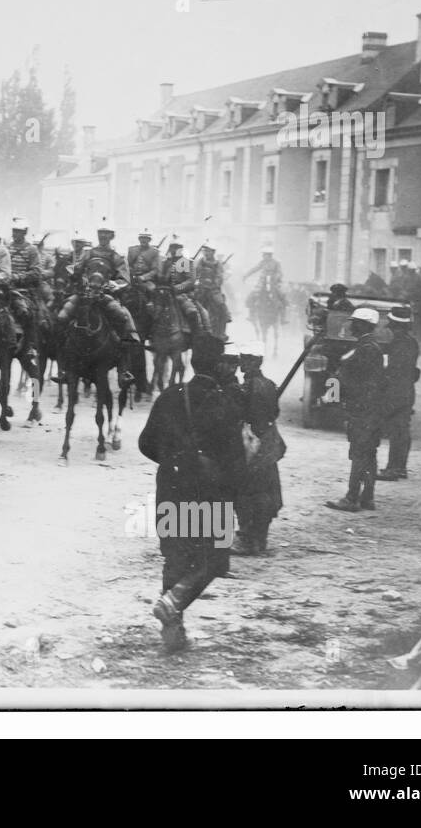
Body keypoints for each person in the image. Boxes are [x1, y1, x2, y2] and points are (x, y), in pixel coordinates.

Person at [139, 333, 245, 654]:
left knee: (174, 557)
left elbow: (146, 444)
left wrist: (175, 462)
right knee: (214, 560)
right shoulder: (225, 402)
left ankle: (173, 633)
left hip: (169, 488)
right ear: (218, 366)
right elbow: (235, 460)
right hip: (208, 494)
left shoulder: (170, 395)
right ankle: (175, 599)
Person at [326, 306, 386, 512]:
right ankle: (367, 498)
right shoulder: (370, 347)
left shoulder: (366, 349)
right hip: (372, 410)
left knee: (360, 453)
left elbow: (350, 379)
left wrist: (332, 396)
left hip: (363, 410)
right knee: (369, 453)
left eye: (355, 323)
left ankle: (352, 498)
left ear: (363, 325)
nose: (351, 326)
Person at [233, 342, 285, 556]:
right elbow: (274, 412)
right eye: (242, 358)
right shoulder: (269, 384)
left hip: (251, 445)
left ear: (257, 361)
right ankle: (259, 540)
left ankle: (247, 539)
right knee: (265, 492)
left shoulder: (246, 387)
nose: (243, 363)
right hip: (267, 445)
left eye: (248, 359)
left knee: (246, 493)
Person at [377, 306, 420, 480]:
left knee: (397, 430)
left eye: (391, 324)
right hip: (406, 390)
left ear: (396, 325)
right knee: (401, 429)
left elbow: (396, 370)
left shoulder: (400, 343)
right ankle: (399, 468)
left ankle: (393, 469)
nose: (389, 327)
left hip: (397, 390)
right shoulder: (409, 341)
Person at [5, 217, 44, 346]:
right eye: (14, 230)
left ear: (25, 232)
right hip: (4, 288)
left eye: (18, 231)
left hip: (23, 290)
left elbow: (36, 272)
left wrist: (18, 277)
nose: (15, 233)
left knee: (26, 313)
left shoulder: (32, 250)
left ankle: (30, 347)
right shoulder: (6, 248)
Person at [156, 240, 208, 335]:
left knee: (191, 311)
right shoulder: (165, 263)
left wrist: (176, 288)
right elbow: (160, 278)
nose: (174, 250)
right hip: (165, 294)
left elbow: (190, 281)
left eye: (176, 247)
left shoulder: (186, 262)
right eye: (172, 247)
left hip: (182, 294)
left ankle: (196, 337)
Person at [194, 242, 231, 339]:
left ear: (213, 252)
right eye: (205, 251)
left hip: (213, 290)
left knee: (221, 305)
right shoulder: (201, 261)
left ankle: (222, 331)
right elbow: (196, 272)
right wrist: (197, 282)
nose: (206, 253)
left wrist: (214, 284)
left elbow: (219, 277)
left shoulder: (218, 264)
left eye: (208, 251)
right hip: (201, 289)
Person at [243, 246, 286, 324]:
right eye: (263, 254)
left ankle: (283, 318)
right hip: (262, 283)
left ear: (269, 255)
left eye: (265, 254)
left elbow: (280, 272)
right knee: (252, 296)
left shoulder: (276, 263)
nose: (263, 256)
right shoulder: (262, 262)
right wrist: (246, 275)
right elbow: (254, 269)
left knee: (282, 296)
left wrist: (277, 277)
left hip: (273, 283)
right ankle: (251, 315)